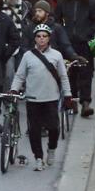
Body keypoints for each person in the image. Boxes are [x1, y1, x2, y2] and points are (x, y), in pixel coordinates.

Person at [10, 24, 70, 171]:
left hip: (51, 98)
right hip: (33, 99)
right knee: (34, 131)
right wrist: (13, 89)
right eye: (38, 36)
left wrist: (68, 94)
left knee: (54, 128)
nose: (41, 39)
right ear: (34, 38)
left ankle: (51, 148)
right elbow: (20, 76)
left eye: (44, 36)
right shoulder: (27, 56)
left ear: (49, 38)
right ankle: (38, 157)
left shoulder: (57, 55)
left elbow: (63, 77)